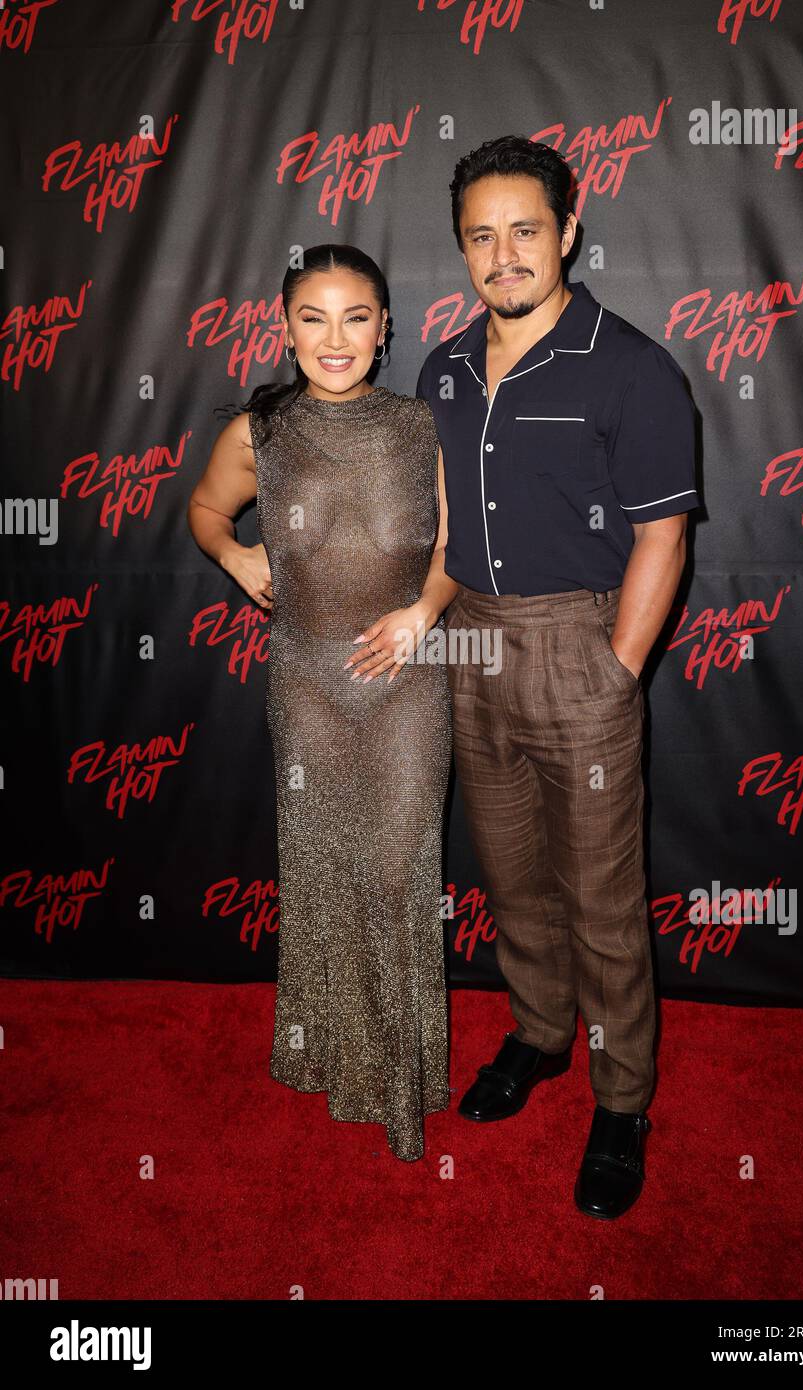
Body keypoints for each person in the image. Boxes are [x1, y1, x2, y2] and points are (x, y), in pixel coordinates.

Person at [416, 135, 701, 1217]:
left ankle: (621, 1096)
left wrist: (613, 672)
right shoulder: (442, 365)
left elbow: (662, 536)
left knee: (601, 897)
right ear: (461, 250)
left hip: (578, 644)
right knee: (511, 877)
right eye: (480, 237)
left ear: (568, 231)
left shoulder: (629, 365)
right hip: (471, 647)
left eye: (524, 230)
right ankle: (539, 1035)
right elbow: (446, 519)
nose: (503, 254)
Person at [187, 244, 458, 1162]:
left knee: (395, 870)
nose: (334, 338)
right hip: (303, 682)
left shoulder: (427, 425)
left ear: (385, 331)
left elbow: (460, 543)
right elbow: (204, 512)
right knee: (322, 872)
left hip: (405, 680)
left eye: (356, 318)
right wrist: (234, 554)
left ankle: (402, 1078)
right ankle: (334, 1059)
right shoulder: (257, 433)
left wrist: (427, 610)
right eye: (314, 317)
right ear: (286, 328)